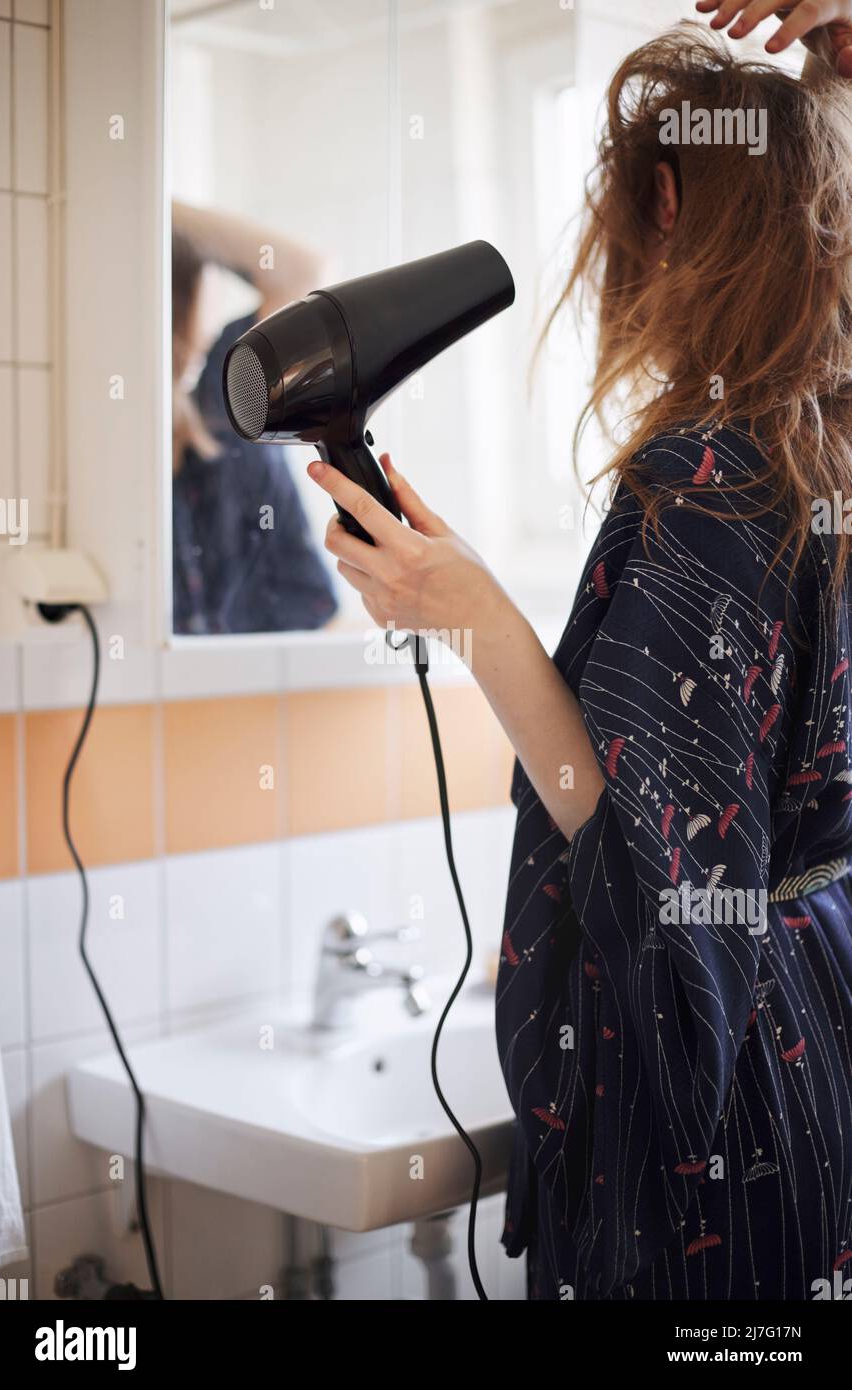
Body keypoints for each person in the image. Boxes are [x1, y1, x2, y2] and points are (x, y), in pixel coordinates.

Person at [308, 3, 852, 1300]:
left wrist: (484, 628)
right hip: (811, 1078)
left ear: (662, 205)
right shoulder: (814, 458)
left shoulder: (711, 483)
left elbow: (664, 912)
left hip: (718, 1165)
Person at [171, 202, 337, 634]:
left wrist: (153, 199)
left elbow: (301, 270)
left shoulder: (221, 397)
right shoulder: (216, 406)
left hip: (275, 674)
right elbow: (298, 270)